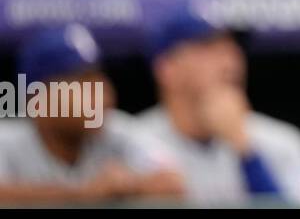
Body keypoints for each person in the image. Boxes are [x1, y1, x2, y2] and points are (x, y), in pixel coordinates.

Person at [135, 9, 300, 206]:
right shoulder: (133, 145)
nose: (230, 62)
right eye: (209, 47)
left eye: (233, 47)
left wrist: (247, 154)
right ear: (166, 68)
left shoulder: (283, 143)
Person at [0, 25, 183, 205]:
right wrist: (83, 194)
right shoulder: (7, 141)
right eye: (81, 83)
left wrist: (131, 182)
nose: (101, 94)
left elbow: (173, 182)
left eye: (98, 79)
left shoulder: (115, 131)